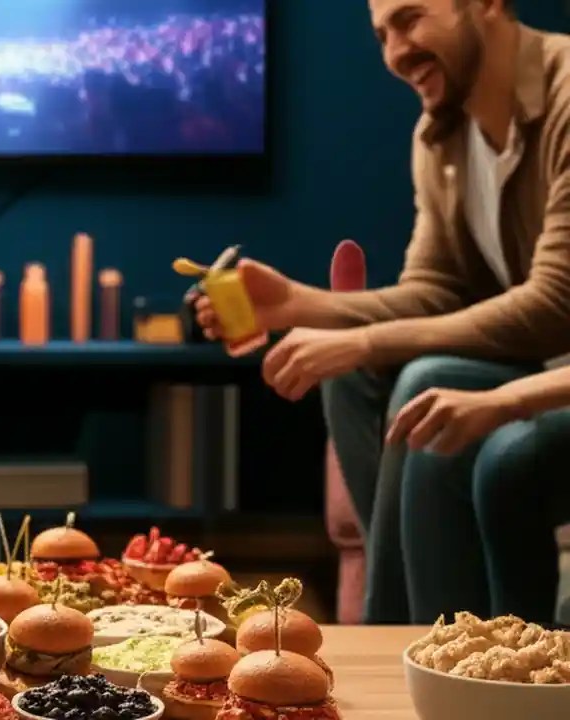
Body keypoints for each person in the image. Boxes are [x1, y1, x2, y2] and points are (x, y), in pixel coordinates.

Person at [196, 0, 570, 625]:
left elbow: (553, 304)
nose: (395, 52)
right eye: (382, 34)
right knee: (350, 374)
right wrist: (300, 305)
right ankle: (415, 625)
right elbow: (438, 290)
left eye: (411, 18)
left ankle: (400, 635)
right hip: (526, 365)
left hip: (554, 372)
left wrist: (363, 341)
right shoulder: (441, 133)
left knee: (421, 380)